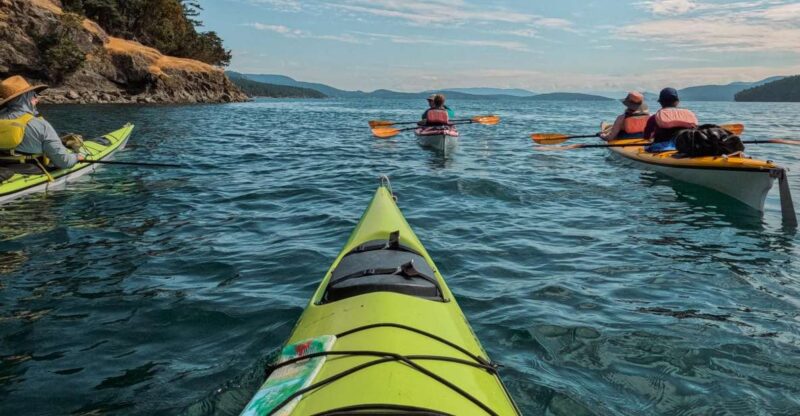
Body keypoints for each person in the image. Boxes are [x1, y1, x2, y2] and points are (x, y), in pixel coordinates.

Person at [0, 75, 84, 169]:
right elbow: (64, 162)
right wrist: (76, 157)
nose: (37, 99)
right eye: (33, 95)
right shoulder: (41, 125)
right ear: (26, 99)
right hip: (31, 170)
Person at [642, 87, 698, 152]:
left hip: (662, 148)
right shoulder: (688, 114)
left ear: (661, 102)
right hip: (686, 147)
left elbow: (646, 136)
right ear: (677, 102)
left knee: (646, 147)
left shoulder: (654, 117)